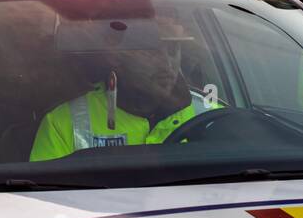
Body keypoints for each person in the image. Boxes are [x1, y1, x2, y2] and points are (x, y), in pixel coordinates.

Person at [30, 17, 218, 161]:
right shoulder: (64, 123)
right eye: (151, 52)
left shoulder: (212, 117)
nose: (166, 64)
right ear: (118, 59)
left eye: (172, 51)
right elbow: (45, 203)